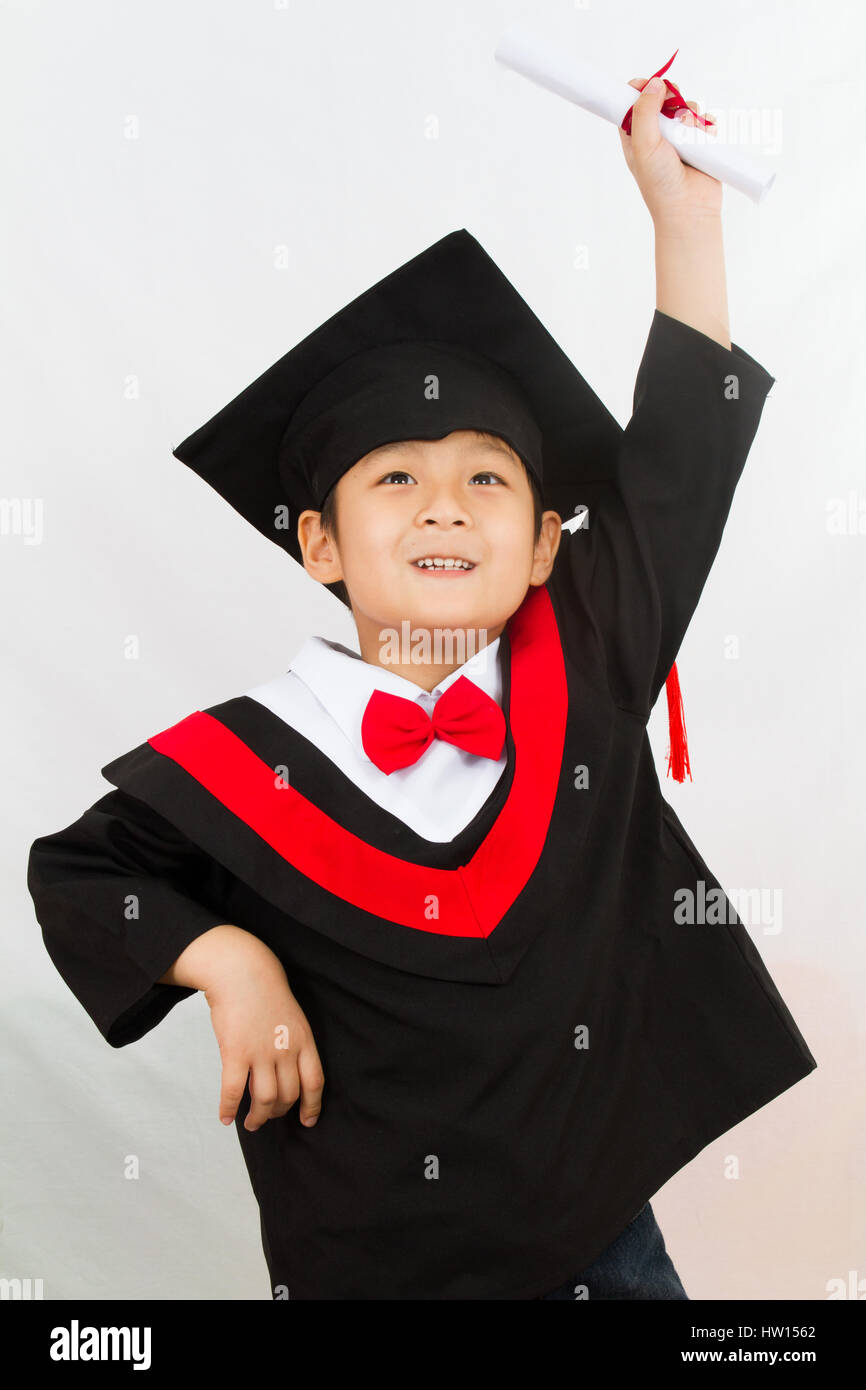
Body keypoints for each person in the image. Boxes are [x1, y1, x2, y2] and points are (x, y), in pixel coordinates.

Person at [26, 76, 816, 1300]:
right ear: (320, 546)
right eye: (393, 477)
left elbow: (674, 458)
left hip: (601, 1259)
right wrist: (225, 955)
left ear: (547, 546)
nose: (444, 501)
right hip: (365, 1274)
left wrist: (684, 220)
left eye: (487, 480)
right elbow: (80, 875)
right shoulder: (243, 762)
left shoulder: (585, 657)